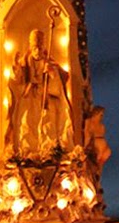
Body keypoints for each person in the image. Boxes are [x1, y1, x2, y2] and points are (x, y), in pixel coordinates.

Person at [12, 29, 73, 157]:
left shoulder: (49, 62)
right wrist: (16, 67)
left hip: (45, 98)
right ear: (30, 46)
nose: (37, 51)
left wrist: (51, 73)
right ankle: (27, 152)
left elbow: (58, 87)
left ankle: (49, 151)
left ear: (43, 46)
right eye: (35, 47)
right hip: (30, 98)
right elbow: (17, 80)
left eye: (40, 47)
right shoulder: (25, 62)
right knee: (27, 124)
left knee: (47, 125)